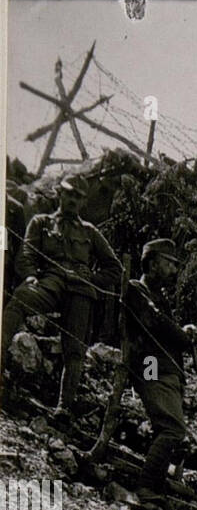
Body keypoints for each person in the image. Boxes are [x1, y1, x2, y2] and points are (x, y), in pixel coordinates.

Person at [2, 177, 120, 416]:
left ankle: (63, 407)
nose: (73, 200)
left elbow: (116, 269)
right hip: (50, 282)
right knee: (21, 298)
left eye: (78, 196)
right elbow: (26, 253)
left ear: (83, 201)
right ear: (59, 194)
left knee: (75, 348)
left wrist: (94, 278)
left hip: (80, 290)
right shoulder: (41, 222)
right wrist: (30, 276)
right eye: (69, 194)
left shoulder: (90, 232)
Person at [120, 238, 197, 497]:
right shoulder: (135, 289)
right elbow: (154, 321)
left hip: (170, 370)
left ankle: (156, 486)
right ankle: (145, 487)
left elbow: (166, 324)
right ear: (152, 264)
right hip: (151, 365)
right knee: (171, 429)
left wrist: (182, 332)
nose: (174, 271)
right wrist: (182, 336)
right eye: (169, 264)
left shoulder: (160, 297)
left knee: (170, 430)